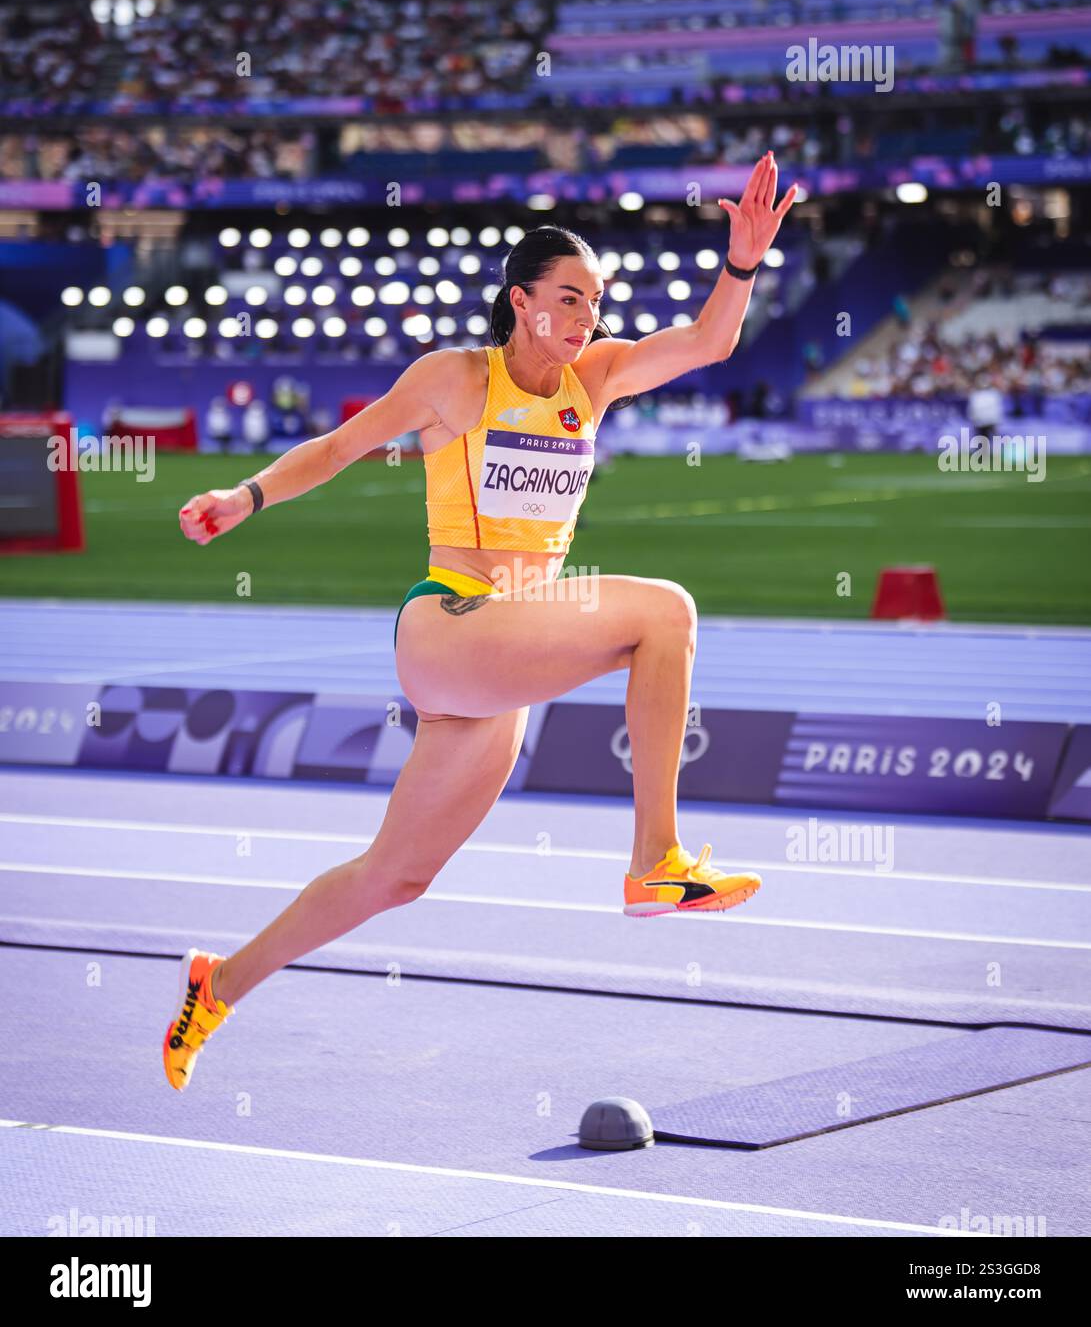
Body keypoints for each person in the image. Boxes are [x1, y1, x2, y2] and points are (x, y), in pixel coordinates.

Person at [168, 152, 797, 1092]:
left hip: (501, 663)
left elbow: (708, 342)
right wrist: (246, 496)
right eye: (573, 299)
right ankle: (654, 858)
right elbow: (340, 447)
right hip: (449, 624)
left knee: (395, 878)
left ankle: (218, 984)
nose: (591, 318)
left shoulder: (599, 379)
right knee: (665, 613)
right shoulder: (456, 379)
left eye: (598, 301)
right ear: (520, 301)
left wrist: (740, 264)